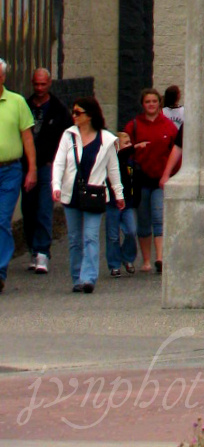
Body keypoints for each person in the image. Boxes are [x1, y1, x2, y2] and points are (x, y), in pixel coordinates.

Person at [51, 96, 123, 292]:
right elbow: (59, 163)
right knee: (75, 239)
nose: (74, 116)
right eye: (73, 112)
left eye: (78, 112)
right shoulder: (69, 135)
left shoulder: (106, 139)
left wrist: (119, 194)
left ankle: (88, 278)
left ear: (89, 116)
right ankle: (77, 278)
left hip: (94, 193)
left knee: (90, 236)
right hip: (71, 193)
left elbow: (113, 168)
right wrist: (56, 185)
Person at [124, 89, 177, 275]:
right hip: (140, 180)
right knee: (144, 221)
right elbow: (122, 151)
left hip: (160, 180)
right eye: (148, 101)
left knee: (158, 217)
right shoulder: (134, 126)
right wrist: (134, 148)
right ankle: (146, 260)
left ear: (159, 103)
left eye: (154, 101)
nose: (151, 104)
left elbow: (176, 153)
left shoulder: (169, 126)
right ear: (143, 104)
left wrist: (171, 176)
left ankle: (160, 258)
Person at [22, 68, 69, 275]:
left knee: (43, 208)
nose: (39, 88)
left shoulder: (59, 109)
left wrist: (57, 163)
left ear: (49, 83)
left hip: (47, 166)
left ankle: (42, 251)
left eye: (43, 84)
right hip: (26, 165)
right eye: (36, 84)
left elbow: (67, 138)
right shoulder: (24, 105)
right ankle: (33, 247)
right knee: (28, 208)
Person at [0, 60, 36, 294]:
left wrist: (32, 169)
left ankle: (0, 271)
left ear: (3, 77)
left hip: (10, 170)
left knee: (2, 220)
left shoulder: (17, 102)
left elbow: (27, 139)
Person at [106, 132, 139, 277]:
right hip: (112, 203)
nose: (130, 146)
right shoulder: (114, 160)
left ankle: (127, 257)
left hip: (128, 204)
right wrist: (135, 147)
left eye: (130, 142)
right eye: (126, 143)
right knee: (113, 235)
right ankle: (114, 264)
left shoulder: (131, 164)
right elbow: (120, 155)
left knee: (131, 231)